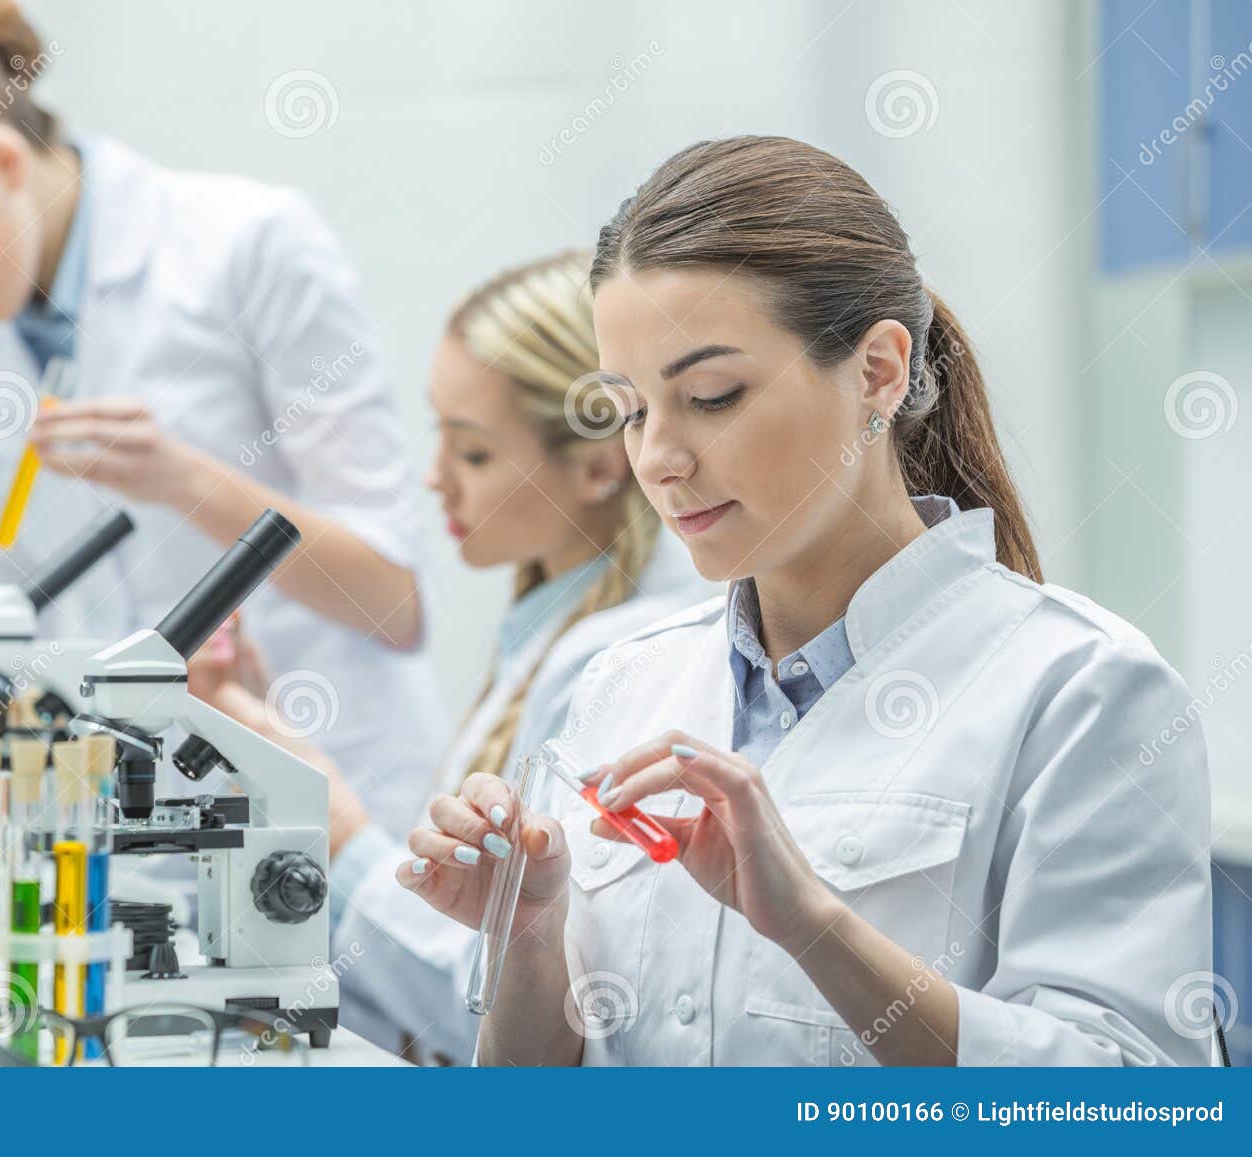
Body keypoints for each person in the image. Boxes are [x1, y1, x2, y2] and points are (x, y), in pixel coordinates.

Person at [397, 137, 1214, 1066]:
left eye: (711, 396)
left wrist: (814, 924)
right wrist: (530, 932)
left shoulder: (1080, 693)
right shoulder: (624, 682)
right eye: (629, 409)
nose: (659, 458)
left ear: (877, 371)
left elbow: (1137, 1104)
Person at [0, 0, 440, 831]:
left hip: (343, 795)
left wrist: (187, 480)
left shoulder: (253, 247)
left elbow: (394, 599)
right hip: (146, 822)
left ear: (5, 162)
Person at [192, 252, 712, 1063]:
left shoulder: (616, 663)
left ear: (600, 464)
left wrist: (326, 819)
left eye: (471, 453)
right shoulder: (547, 635)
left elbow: (499, 1000)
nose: (434, 480)